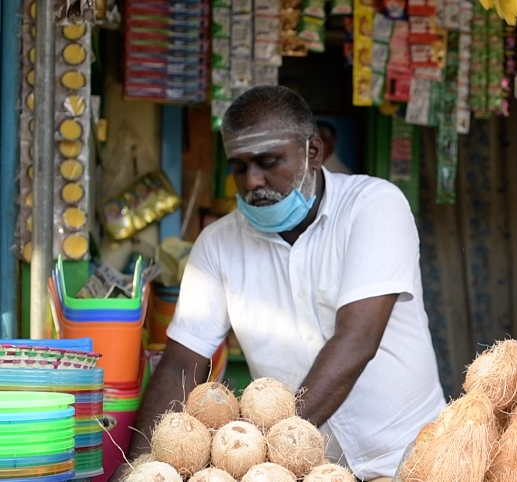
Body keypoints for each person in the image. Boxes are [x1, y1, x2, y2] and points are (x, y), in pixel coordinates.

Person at [111, 86, 445, 482]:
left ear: (313, 152)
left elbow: (356, 340)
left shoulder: (373, 206)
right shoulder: (218, 244)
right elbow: (183, 364)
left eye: (268, 162)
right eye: (238, 167)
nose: (253, 181)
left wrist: (269, 457)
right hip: (314, 472)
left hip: (410, 459)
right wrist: (138, 466)